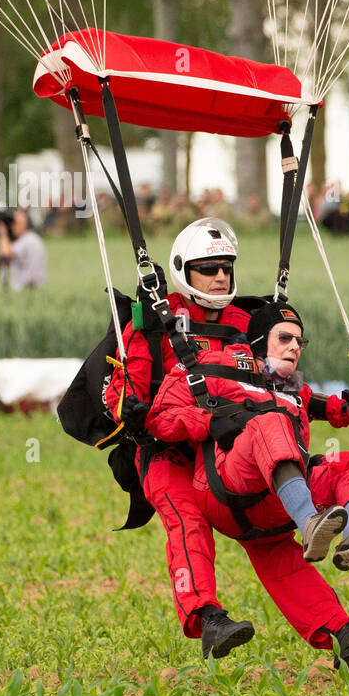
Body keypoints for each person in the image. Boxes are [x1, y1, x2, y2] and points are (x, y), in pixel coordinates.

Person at [142, 300, 349, 667]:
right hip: (228, 486)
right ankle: (310, 522)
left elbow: (327, 408)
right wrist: (208, 423)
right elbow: (159, 418)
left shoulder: (292, 388)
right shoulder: (213, 368)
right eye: (285, 338)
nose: (295, 347)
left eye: (300, 341)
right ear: (260, 342)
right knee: (271, 422)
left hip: (276, 500)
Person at [105, 218, 258, 659]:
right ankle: (206, 618)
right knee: (186, 521)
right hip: (164, 449)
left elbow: (277, 381)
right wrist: (131, 411)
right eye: (209, 268)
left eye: (226, 267)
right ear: (184, 272)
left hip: (225, 444)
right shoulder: (154, 320)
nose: (220, 277)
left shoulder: (245, 322)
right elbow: (123, 390)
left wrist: (338, 405)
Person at [0, 208, 48, 290]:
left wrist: (3, 234)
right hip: (38, 286)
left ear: (23, 224)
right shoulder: (35, 238)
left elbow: (6, 253)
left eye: (15, 224)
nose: (12, 227)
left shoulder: (25, 241)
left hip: (25, 287)